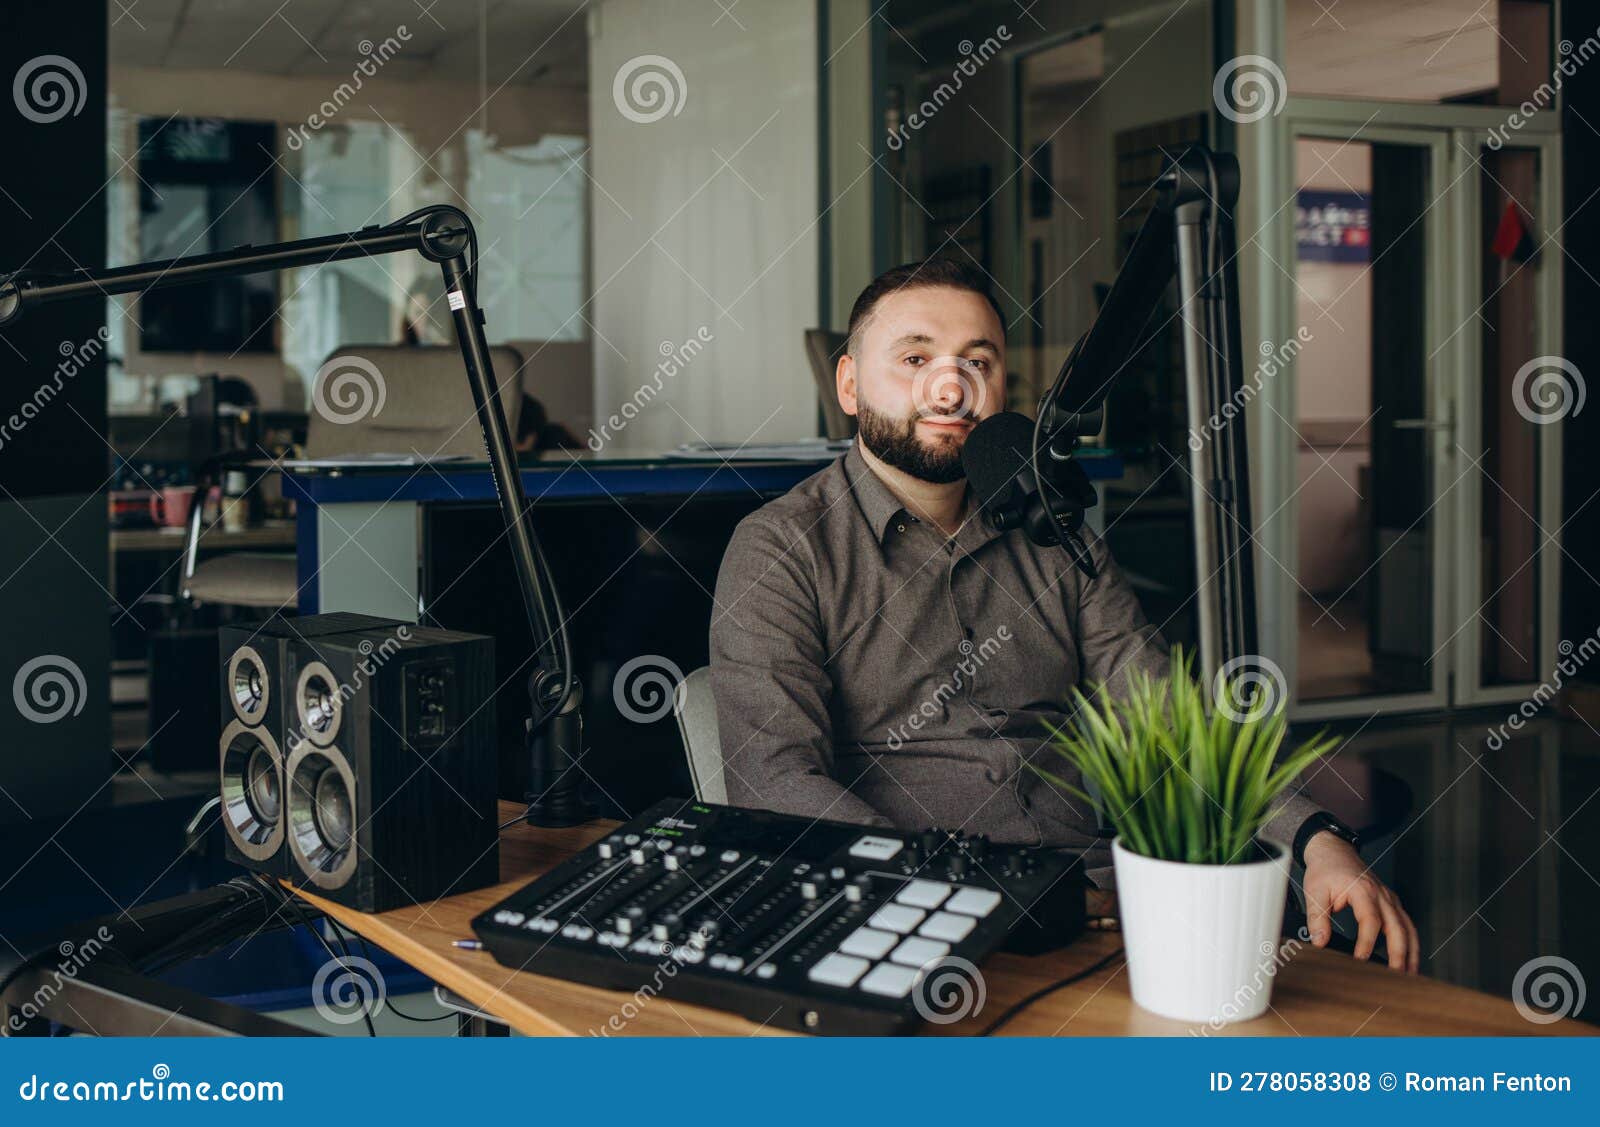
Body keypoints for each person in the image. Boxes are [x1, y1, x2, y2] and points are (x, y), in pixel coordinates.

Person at [709, 258, 1419, 973]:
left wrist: (1315, 836)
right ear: (850, 385)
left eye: (977, 362)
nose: (951, 387)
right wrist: (973, 893)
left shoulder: (1056, 534)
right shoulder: (779, 549)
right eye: (916, 357)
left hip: (1097, 909)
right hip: (904, 921)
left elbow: (1164, 718)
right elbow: (774, 780)